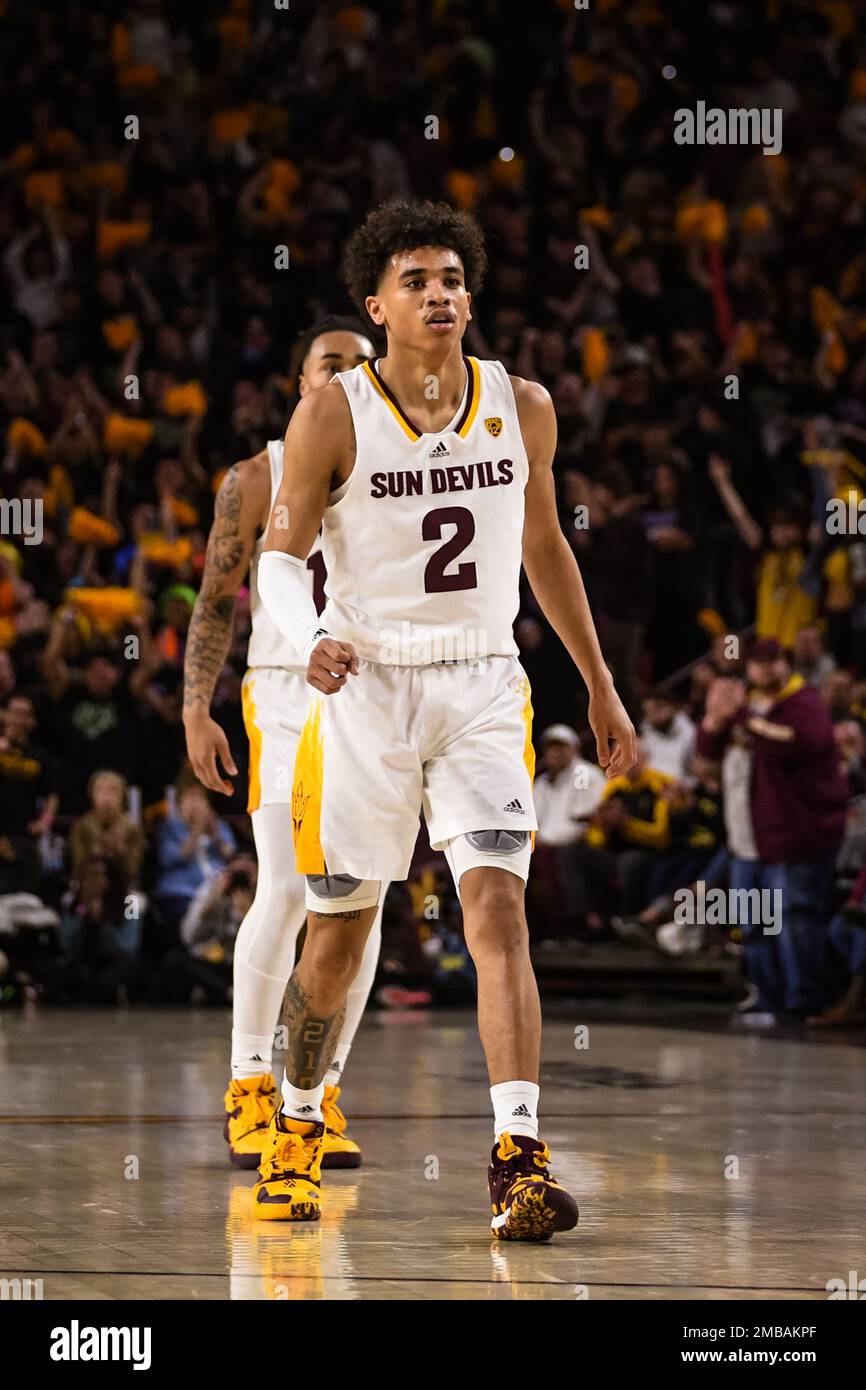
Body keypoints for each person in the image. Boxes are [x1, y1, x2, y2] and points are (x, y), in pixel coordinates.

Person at [258, 199, 635, 1238]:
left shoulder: (523, 404)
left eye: (452, 279)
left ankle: (516, 1153)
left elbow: (544, 547)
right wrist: (305, 640)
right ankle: (294, 1124)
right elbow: (277, 560)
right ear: (375, 304)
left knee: (497, 913)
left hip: (479, 681)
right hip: (365, 686)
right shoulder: (332, 411)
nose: (439, 293)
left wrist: (597, 683)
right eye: (416, 279)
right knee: (338, 937)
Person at [183, 316, 380, 1170]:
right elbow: (215, 597)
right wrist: (197, 708)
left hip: (378, 693)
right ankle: (248, 1083)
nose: (343, 378)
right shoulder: (257, 475)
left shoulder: (411, 463)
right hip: (286, 692)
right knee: (291, 889)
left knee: (360, 914)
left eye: (358, 368)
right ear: (301, 384)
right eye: (329, 366)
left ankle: (319, 1090)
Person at [697, 638, 849, 1020]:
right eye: (757, 664)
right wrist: (715, 720)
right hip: (747, 842)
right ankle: (768, 998)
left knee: (794, 922)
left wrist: (741, 718)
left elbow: (798, 744)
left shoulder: (804, 704)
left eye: (772, 662)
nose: (764, 670)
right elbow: (706, 754)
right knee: (754, 926)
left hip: (794, 840)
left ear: (786, 664)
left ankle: (803, 1002)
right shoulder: (746, 708)